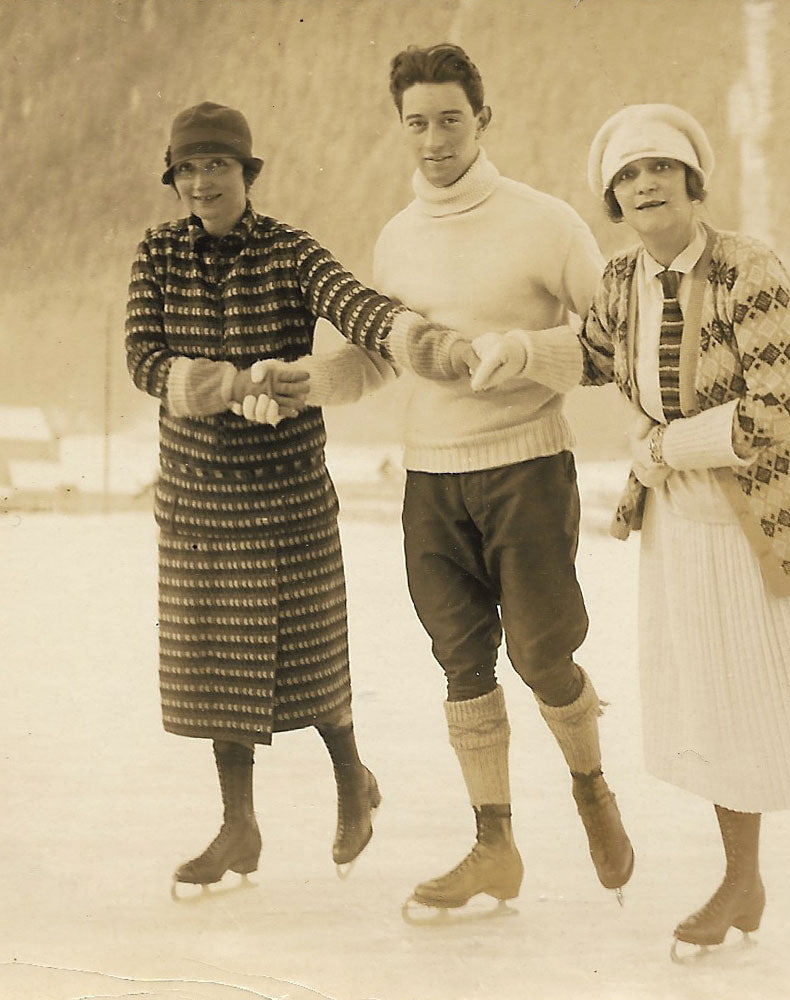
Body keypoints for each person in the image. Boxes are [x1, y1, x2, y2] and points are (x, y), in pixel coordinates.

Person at [473, 103, 790, 952]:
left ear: (693, 182)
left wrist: (666, 443)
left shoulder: (749, 269)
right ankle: (742, 881)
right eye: (626, 177)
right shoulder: (623, 282)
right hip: (688, 526)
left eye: (660, 168)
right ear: (614, 201)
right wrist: (520, 352)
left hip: (785, 514)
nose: (645, 185)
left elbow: (777, 407)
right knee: (717, 701)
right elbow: (592, 353)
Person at [250, 44, 634, 913]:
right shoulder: (396, 237)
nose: (433, 139)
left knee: (541, 652)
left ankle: (590, 789)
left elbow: (613, 346)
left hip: (528, 468)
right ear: (401, 129)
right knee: (462, 664)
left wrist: (528, 351)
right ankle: (494, 845)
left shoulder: (545, 223)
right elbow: (379, 364)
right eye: (416, 122)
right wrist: (309, 381)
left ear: (483, 121)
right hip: (432, 482)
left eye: (450, 119)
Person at [126, 101, 460, 896]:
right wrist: (234, 383)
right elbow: (143, 357)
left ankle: (353, 781)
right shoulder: (158, 253)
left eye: (218, 166)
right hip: (199, 500)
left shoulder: (289, 252)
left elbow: (356, 305)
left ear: (248, 174)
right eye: (188, 168)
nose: (202, 182)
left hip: (286, 499)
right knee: (220, 671)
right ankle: (238, 826)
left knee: (309, 660)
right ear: (174, 179)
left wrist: (422, 339)